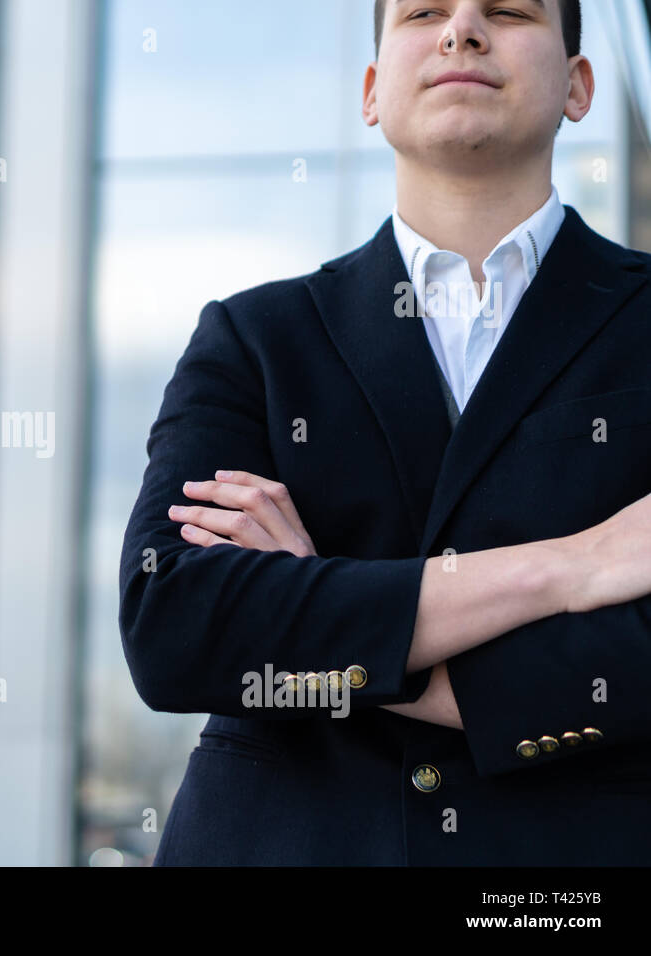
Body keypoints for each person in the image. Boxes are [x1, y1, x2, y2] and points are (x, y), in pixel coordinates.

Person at [120, 0, 651, 865]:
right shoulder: (254, 338)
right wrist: (576, 565)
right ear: (372, 92)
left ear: (579, 87)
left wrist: (318, 610)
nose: (461, 30)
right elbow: (177, 625)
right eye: (425, 13)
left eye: (508, 11)